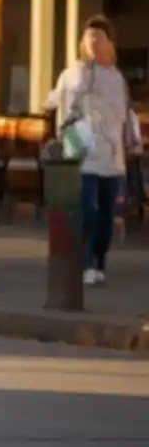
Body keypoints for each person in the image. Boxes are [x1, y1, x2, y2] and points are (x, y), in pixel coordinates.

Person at [51, 15, 144, 286]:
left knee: (106, 213)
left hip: (112, 158)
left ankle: (98, 259)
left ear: (109, 44)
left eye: (99, 37)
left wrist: (129, 144)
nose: (93, 42)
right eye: (89, 37)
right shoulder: (72, 75)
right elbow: (64, 112)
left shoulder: (117, 79)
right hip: (84, 155)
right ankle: (86, 261)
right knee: (87, 209)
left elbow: (125, 115)